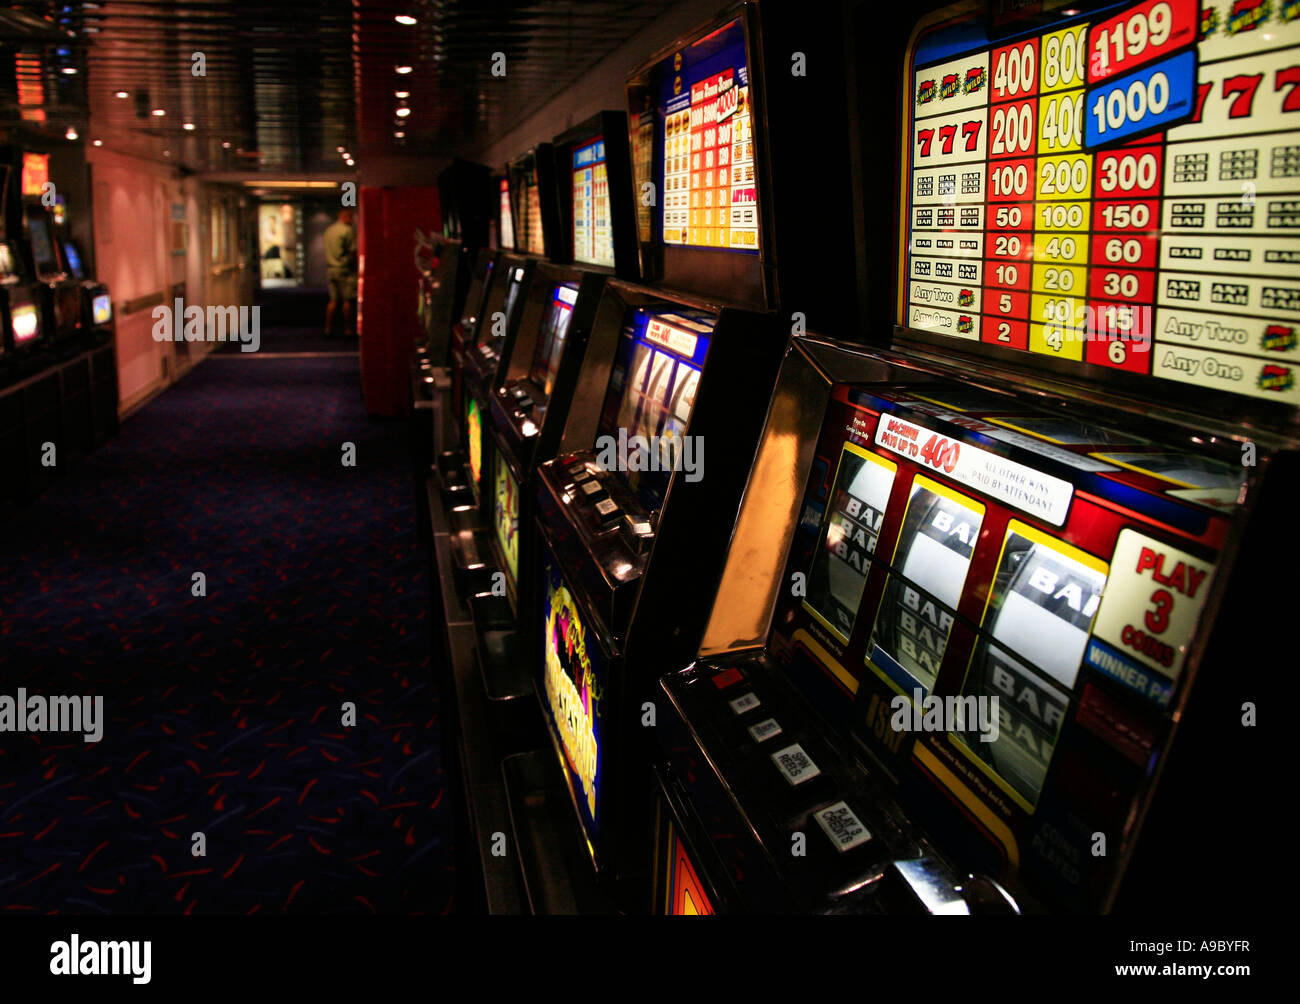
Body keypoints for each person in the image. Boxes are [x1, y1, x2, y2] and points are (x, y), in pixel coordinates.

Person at [323, 208, 357, 338]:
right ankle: (348, 329)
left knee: (333, 301)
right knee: (347, 300)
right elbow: (353, 251)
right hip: (344, 270)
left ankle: (328, 328)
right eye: (351, 217)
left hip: (331, 269)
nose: (353, 221)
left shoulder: (329, 230)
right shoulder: (347, 231)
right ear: (346, 217)